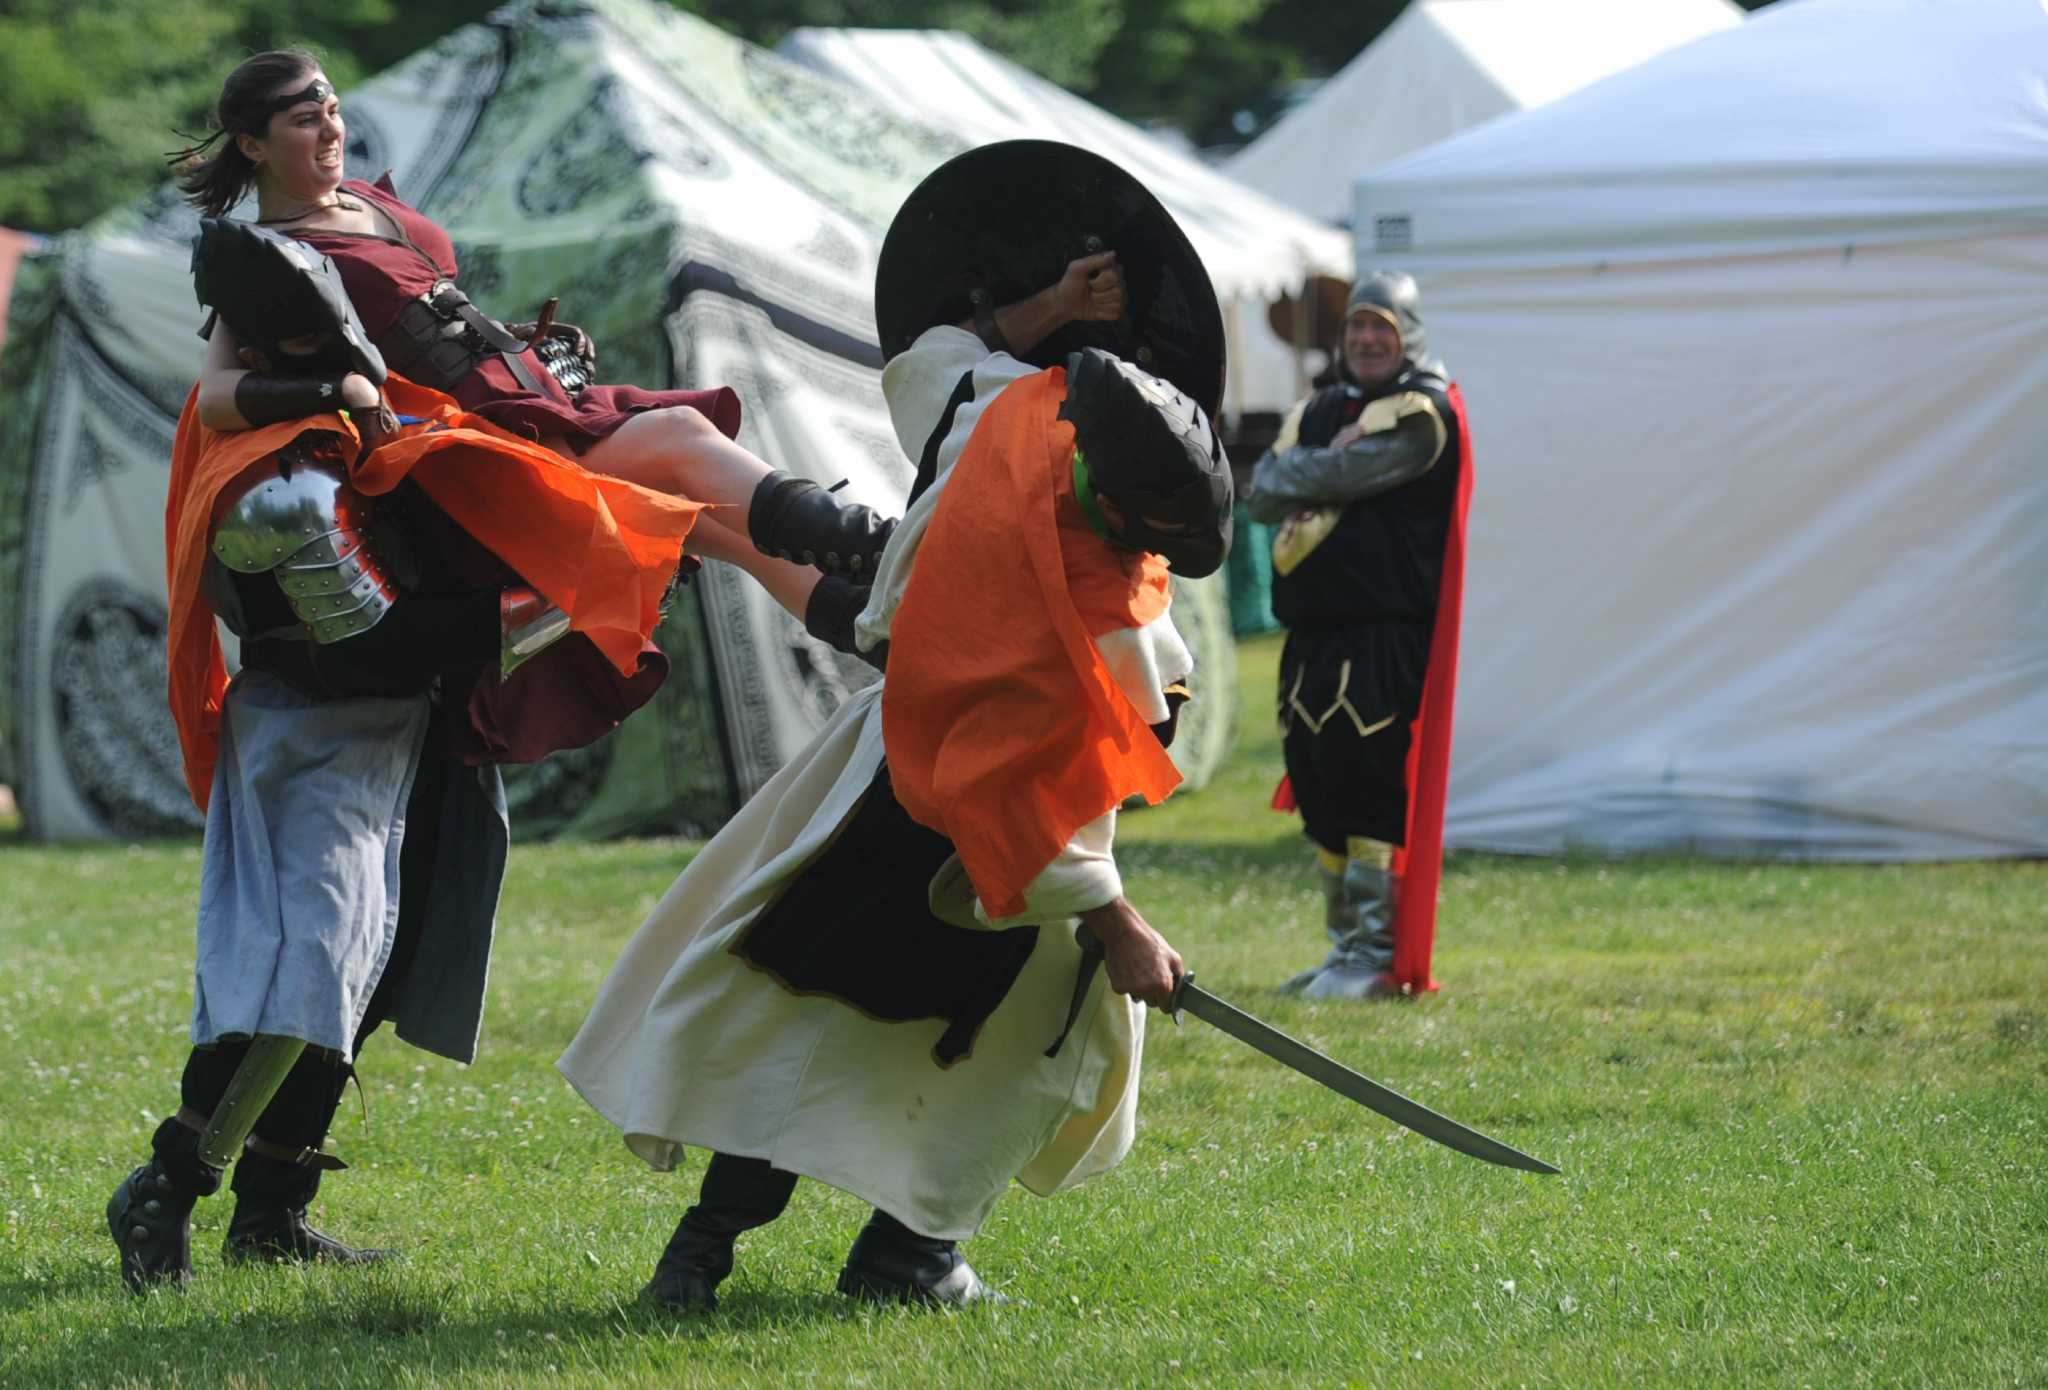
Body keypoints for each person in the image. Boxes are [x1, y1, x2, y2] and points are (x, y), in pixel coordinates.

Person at [103, 50, 888, 1295]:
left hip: (464, 512)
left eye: (330, 103)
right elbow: (220, 405)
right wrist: (333, 386)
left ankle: (274, 1201)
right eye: (301, 111)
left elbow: (441, 345)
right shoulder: (278, 377)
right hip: (332, 685)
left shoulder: (392, 221)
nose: (329, 121)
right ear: (252, 140)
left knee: (388, 945)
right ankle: (168, 1185)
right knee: (314, 955)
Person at [558, 141, 1234, 1310]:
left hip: (884, 776)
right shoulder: (1086, 596)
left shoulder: (1000, 413)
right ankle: (901, 1257)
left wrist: (1049, 305)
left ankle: (734, 1256)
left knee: (800, 1010)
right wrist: (1115, 923)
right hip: (984, 841)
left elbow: (933, 351)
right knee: (1034, 1042)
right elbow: (1021, 787)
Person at [1244, 271, 1473, 1001]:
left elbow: (1348, 468)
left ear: (1408, 333)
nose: (1368, 340)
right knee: (1321, 786)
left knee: (1370, 786)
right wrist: (1314, 470)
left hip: (1382, 636)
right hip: (1312, 634)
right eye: (1358, 328)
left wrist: (1305, 471)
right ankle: (1343, 946)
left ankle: (1375, 950)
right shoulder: (1322, 408)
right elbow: (1261, 494)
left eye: (1383, 327)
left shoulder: (1422, 410)